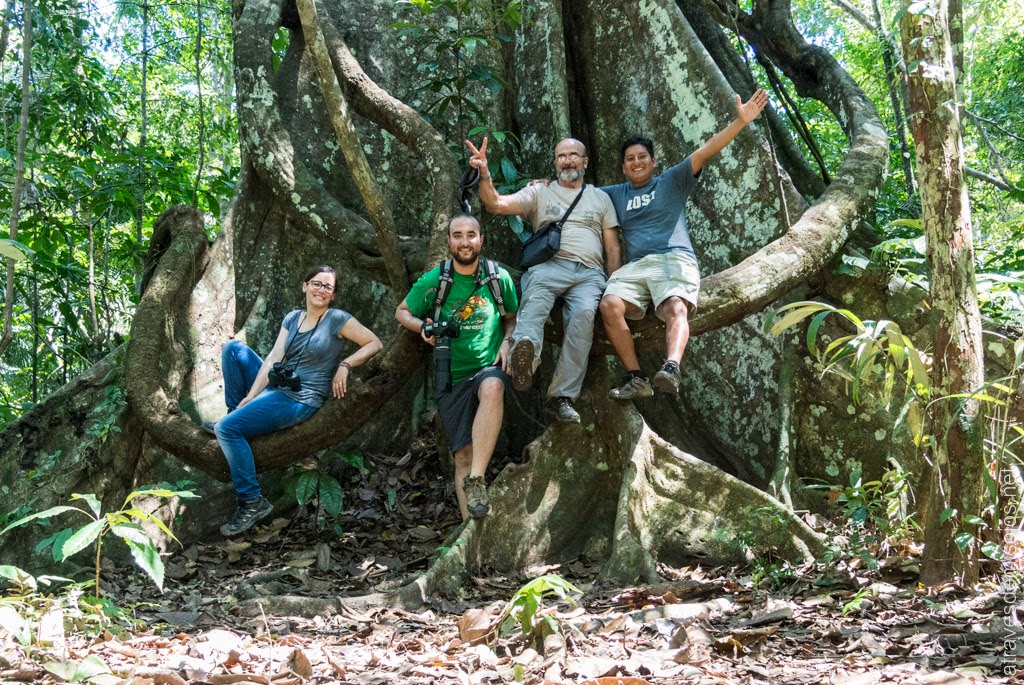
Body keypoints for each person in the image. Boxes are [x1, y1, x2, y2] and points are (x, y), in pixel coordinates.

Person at [599, 90, 770, 400]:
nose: (636, 162)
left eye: (642, 157)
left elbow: (707, 150)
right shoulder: (614, 193)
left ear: (653, 161)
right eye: (630, 159)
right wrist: (542, 187)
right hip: (636, 266)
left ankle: (672, 367)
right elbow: (577, 194)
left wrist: (740, 121)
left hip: (673, 258)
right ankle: (636, 377)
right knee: (608, 305)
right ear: (623, 167)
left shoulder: (672, 180)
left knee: (676, 306)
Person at [210, 266, 382, 536]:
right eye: (317, 283)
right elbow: (273, 358)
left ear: (333, 295)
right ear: (305, 286)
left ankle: (252, 501)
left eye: (328, 287)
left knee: (224, 429)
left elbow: (374, 343)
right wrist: (250, 396)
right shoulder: (293, 318)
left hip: (300, 398)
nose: (321, 290)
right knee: (234, 350)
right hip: (277, 387)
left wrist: (345, 365)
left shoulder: (337, 319)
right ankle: (238, 421)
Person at [465, 137, 620, 424]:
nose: (567, 160)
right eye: (561, 155)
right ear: (555, 162)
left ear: (585, 162)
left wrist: (615, 285)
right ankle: (525, 359)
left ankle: (562, 396)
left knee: (585, 316)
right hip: (548, 267)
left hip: (589, 274)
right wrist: (484, 173)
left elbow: (612, 247)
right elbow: (497, 204)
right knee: (535, 299)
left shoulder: (600, 198)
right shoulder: (540, 191)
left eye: (574, 155)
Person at [396, 214, 519, 520]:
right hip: (449, 375)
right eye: (458, 235)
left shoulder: (496, 277)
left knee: (494, 387)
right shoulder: (437, 280)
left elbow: (512, 318)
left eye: (471, 235)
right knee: (462, 456)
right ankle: (468, 537)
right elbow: (402, 311)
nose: (465, 241)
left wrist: (507, 342)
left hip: (486, 366)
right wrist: (421, 327)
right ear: (449, 241)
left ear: (481, 240)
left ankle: (477, 481)